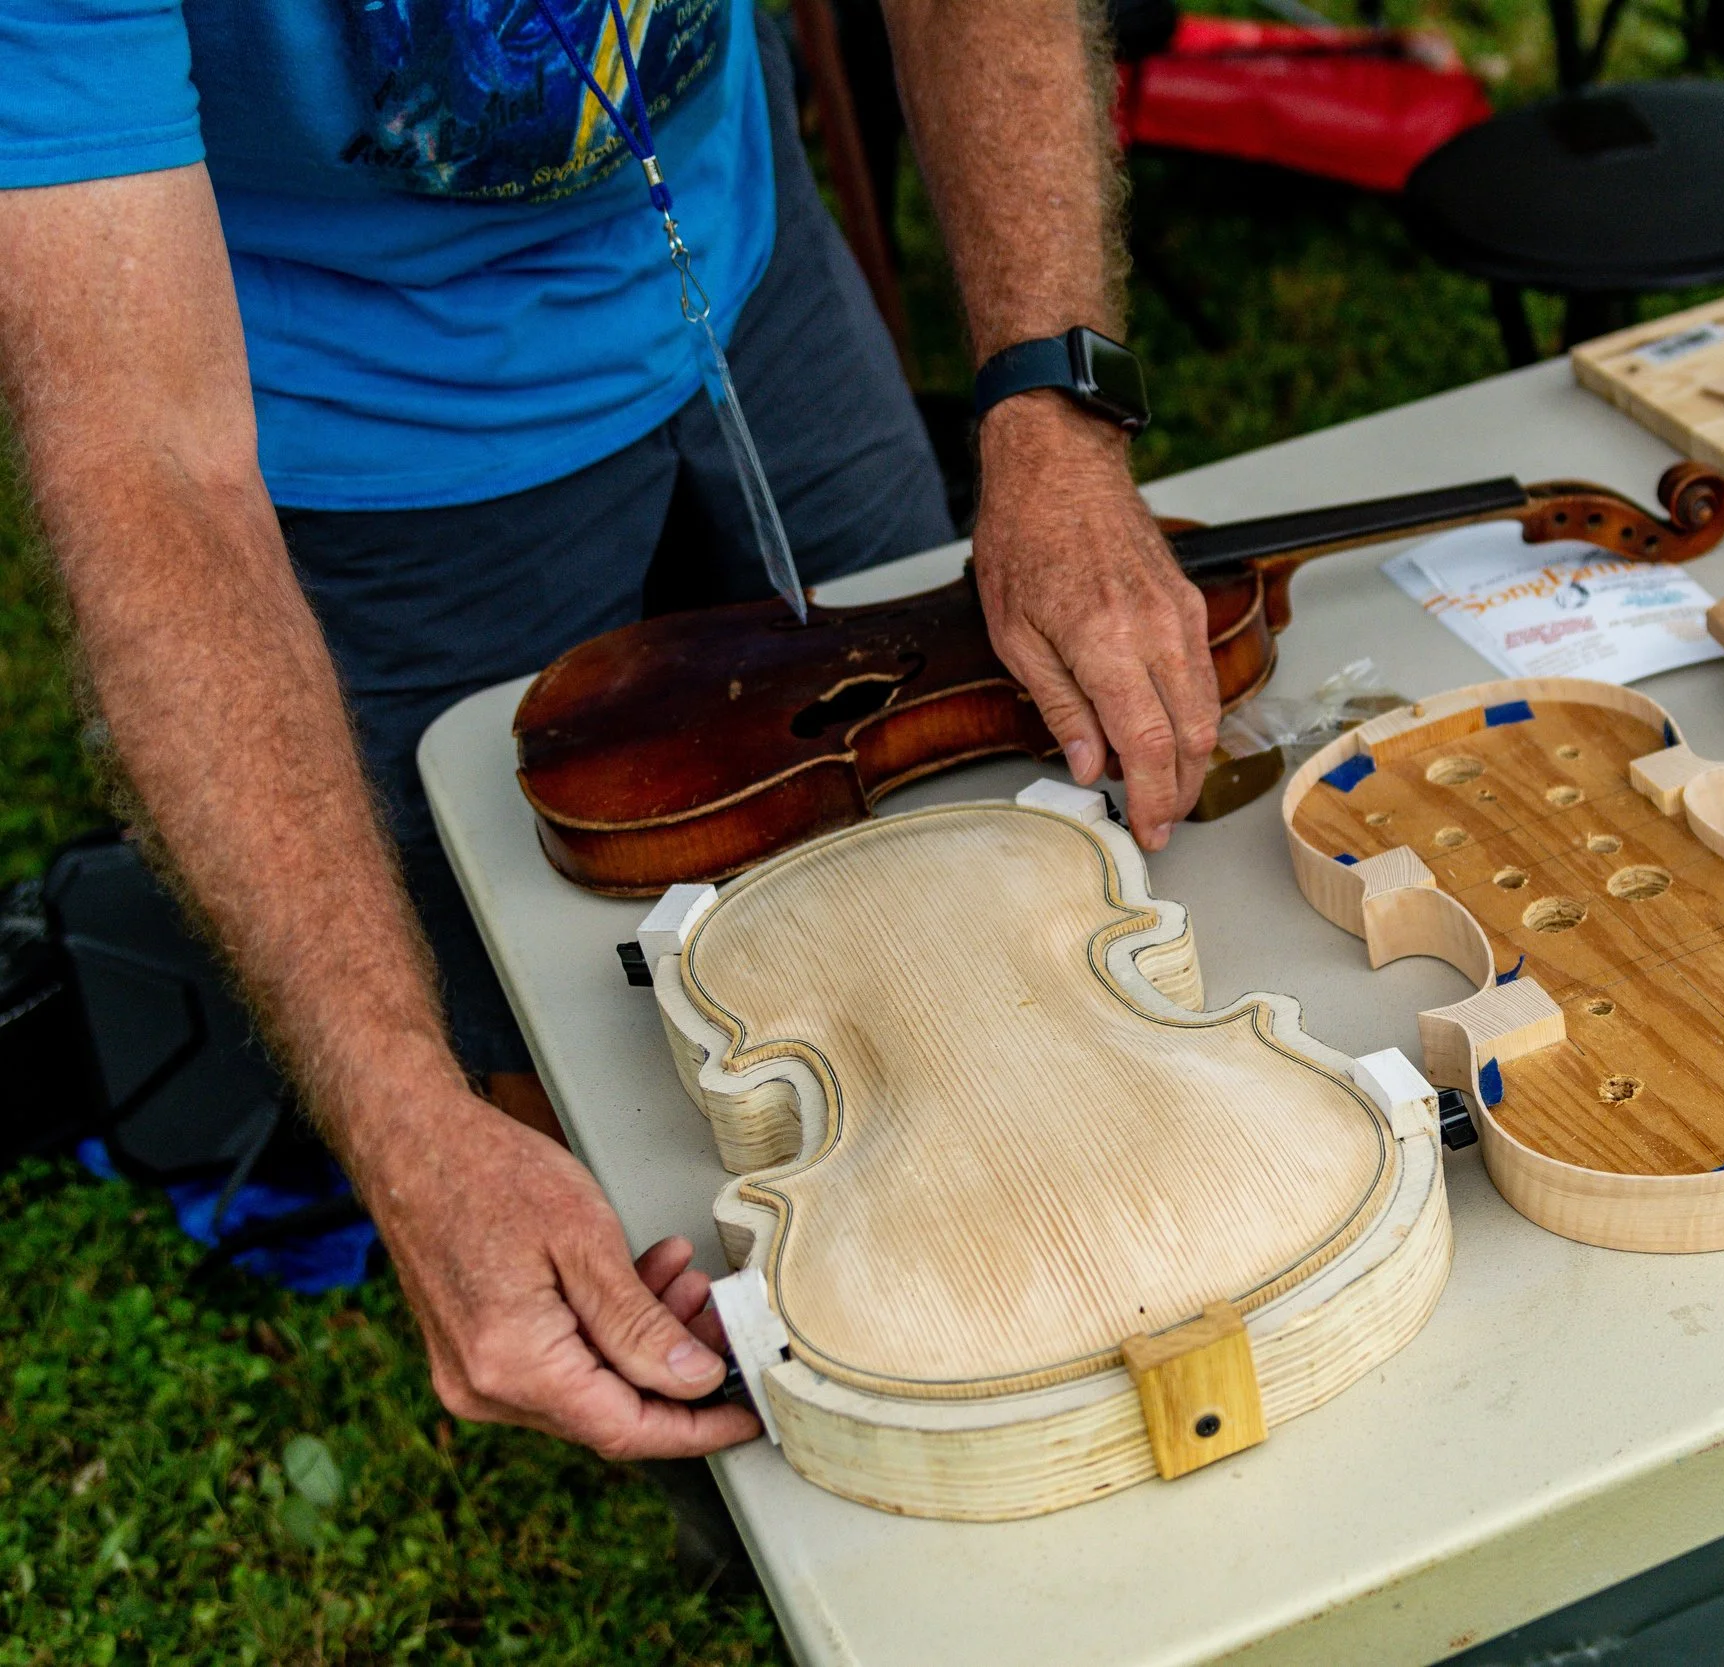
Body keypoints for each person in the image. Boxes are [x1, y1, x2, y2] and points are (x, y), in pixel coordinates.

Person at [0, 0, 1219, 1460]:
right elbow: (150, 469)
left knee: (979, 888)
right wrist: (409, 1122)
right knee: (580, 1095)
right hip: (363, 436)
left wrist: (1049, 406)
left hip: (749, 269)